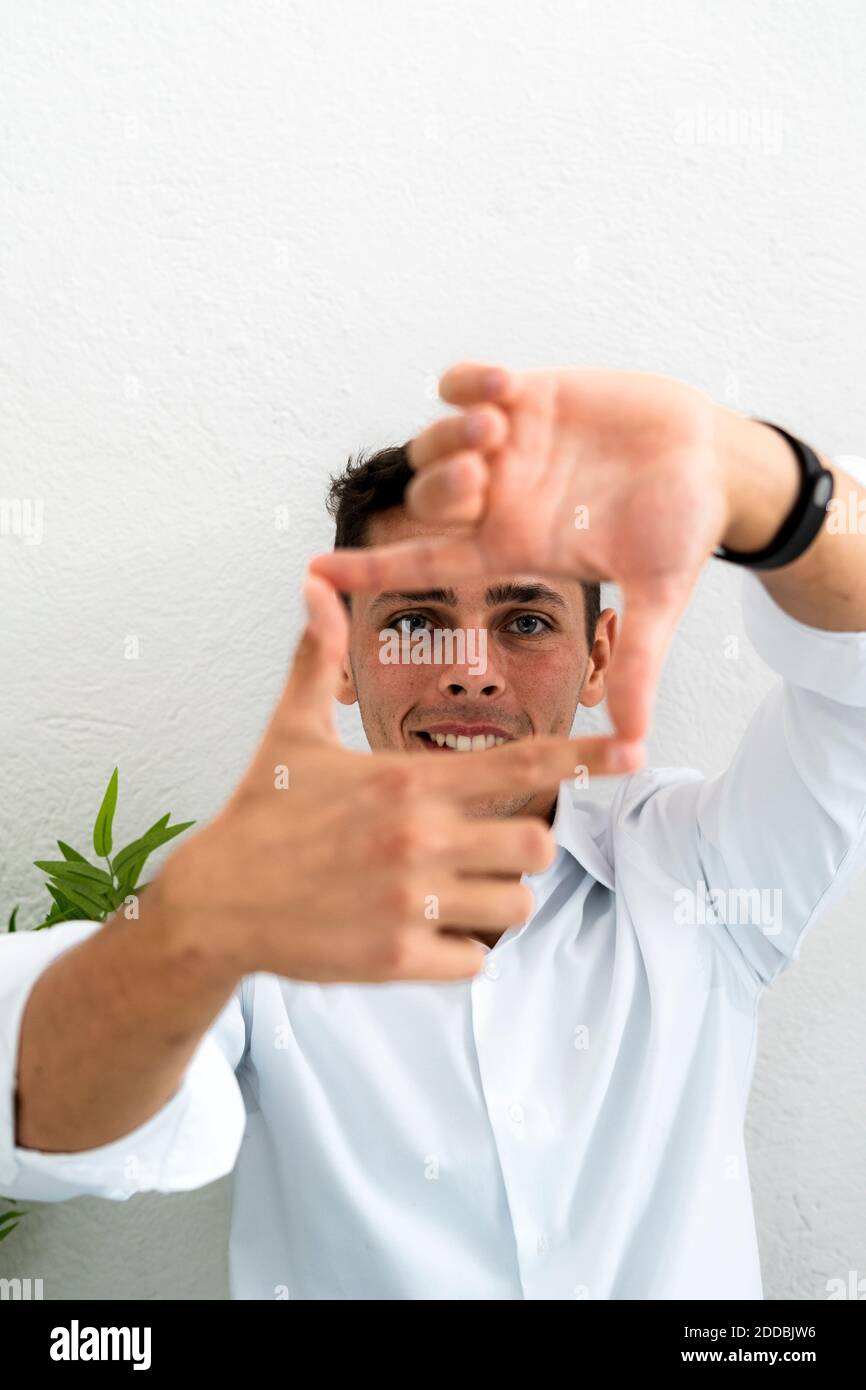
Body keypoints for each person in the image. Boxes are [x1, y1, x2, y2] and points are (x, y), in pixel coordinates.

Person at [2, 364, 865, 1299]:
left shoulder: (704, 865)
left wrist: (761, 481)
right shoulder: (244, 912)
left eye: (526, 619)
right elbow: (49, 1118)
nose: (470, 673)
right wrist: (177, 943)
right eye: (416, 621)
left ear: (597, 658)